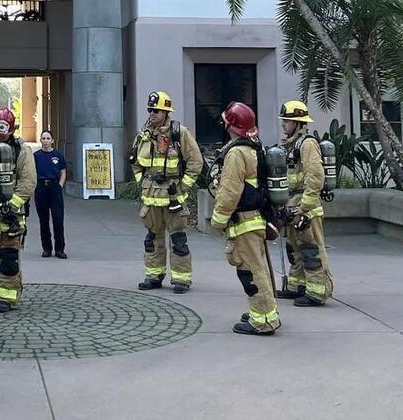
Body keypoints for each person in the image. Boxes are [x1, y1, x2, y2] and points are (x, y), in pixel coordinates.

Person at [211, 101, 280, 336]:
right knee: (259, 267)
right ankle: (264, 311)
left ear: (231, 125)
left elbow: (230, 191)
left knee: (251, 271)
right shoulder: (253, 146)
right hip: (256, 219)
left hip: (244, 221)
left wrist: (218, 220)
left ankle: (263, 320)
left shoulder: (236, 153)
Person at [130, 91, 203, 294]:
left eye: (156, 110)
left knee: (178, 239)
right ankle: (153, 276)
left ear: (165, 112)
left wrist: (183, 186)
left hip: (173, 198)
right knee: (152, 239)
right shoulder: (144, 135)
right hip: (151, 197)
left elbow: (196, 162)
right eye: (150, 110)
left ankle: (181, 279)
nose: (152, 113)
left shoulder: (180, 133)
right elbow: (135, 163)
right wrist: (143, 183)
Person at [277, 100, 334, 306]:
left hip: (305, 207)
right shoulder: (291, 144)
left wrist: (306, 206)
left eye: (287, 120)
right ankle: (297, 286)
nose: (283, 124)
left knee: (311, 250)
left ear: (298, 123)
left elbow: (315, 176)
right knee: (294, 249)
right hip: (293, 205)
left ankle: (317, 292)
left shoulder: (307, 144)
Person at [0, 108, 37, 313]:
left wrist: (13, 204)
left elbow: (28, 181)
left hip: (12, 214)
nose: (0, 134)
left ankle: (6, 296)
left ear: (12, 129)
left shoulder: (21, 149)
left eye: (4, 130)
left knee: (9, 256)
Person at [33, 130, 67, 258]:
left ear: (52, 140)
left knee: (58, 220)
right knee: (44, 221)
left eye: (48, 138)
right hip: (41, 188)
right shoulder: (36, 156)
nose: (46, 141)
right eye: (43, 138)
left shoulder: (58, 155)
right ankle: (47, 248)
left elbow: (63, 172)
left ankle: (59, 249)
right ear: (40, 140)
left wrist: (60, 186)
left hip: (54, 188)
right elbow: (32, 172)